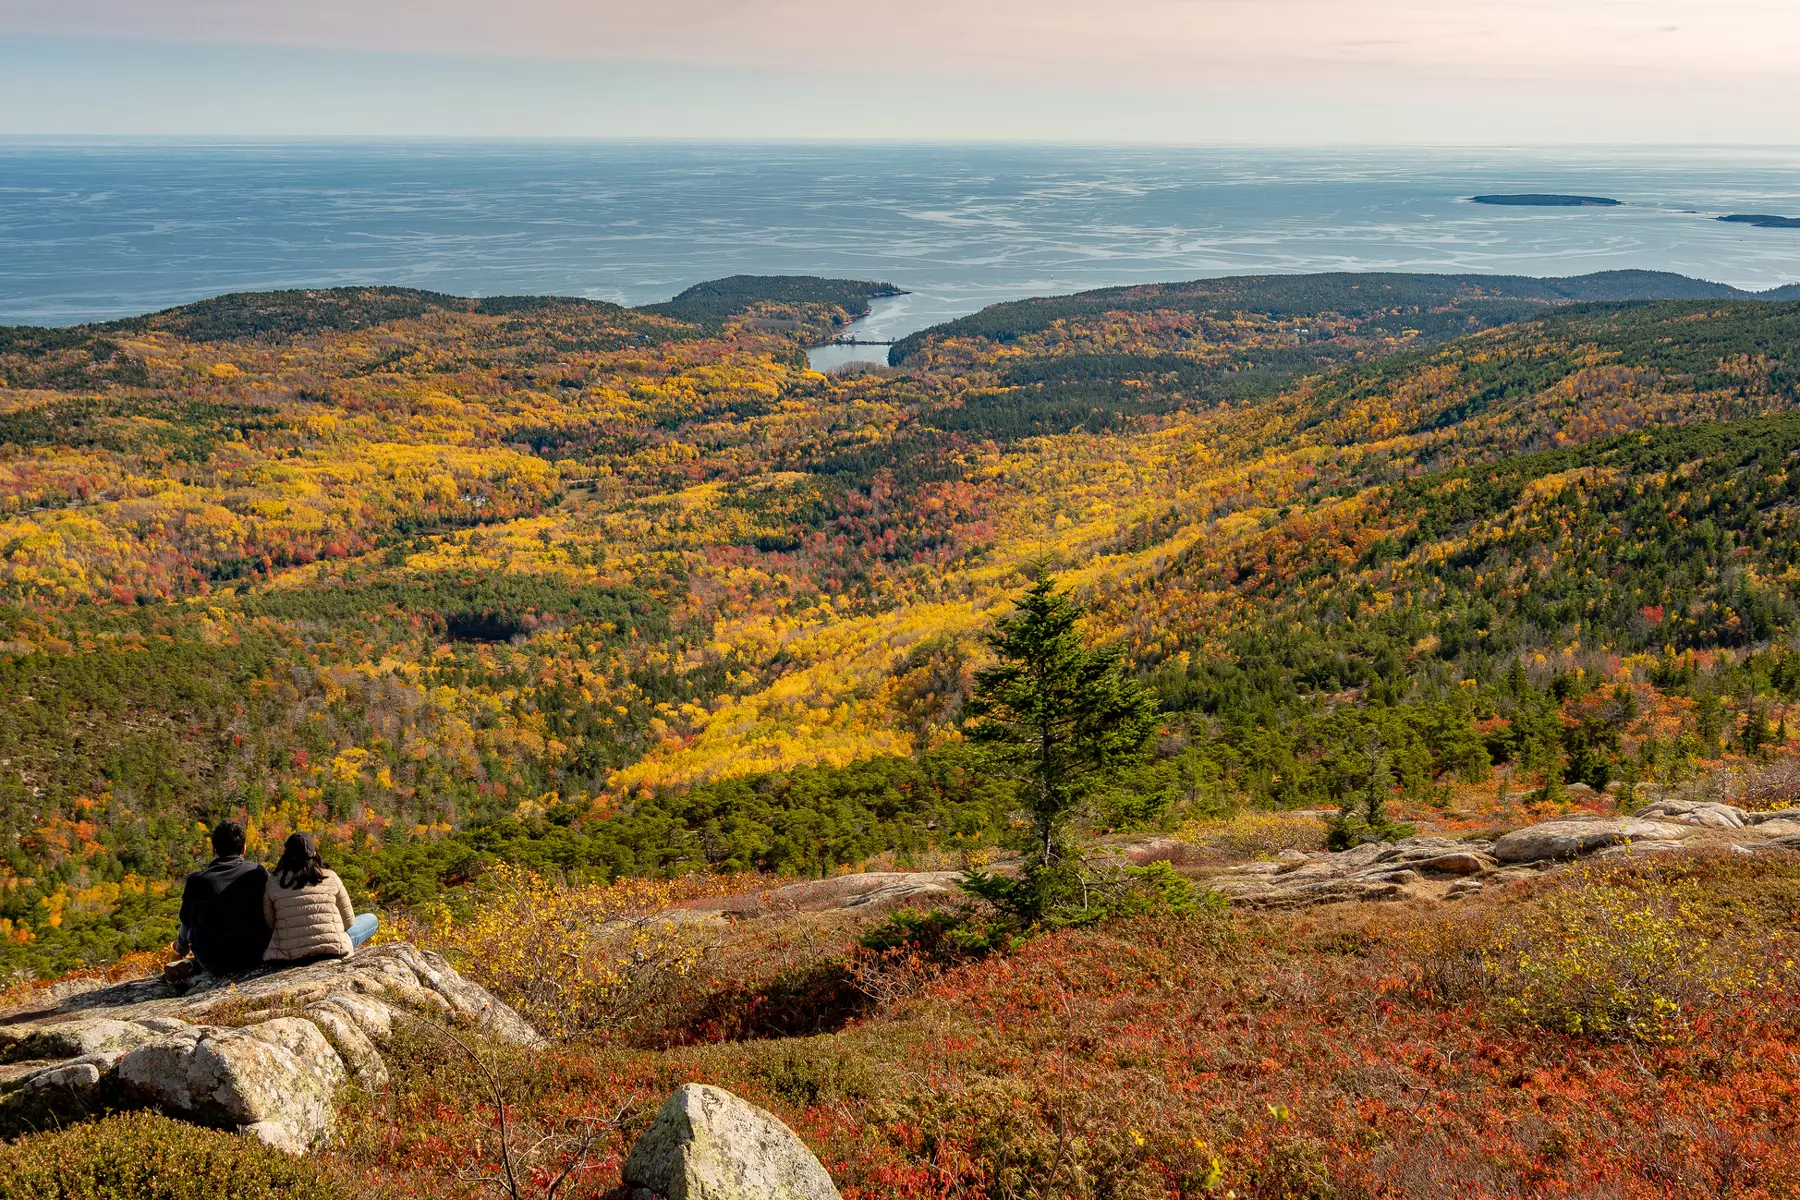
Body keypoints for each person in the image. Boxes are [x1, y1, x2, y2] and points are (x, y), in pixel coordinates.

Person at [174, 820, 272, 977]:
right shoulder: (258, 872)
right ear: (244, 849)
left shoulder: (197, 881)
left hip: (213, 960)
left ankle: (190, 962)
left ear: (214, 850)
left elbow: (187, 922)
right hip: (256, 954)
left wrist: (180, 949)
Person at [262, 832, 379, 963]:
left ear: (287, 854)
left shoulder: (273, 883)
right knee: (371, 919)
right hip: (332, 949)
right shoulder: (330, 877)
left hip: (289, 954)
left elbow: (271, 924)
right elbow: (349, 922)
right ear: (313, 854)